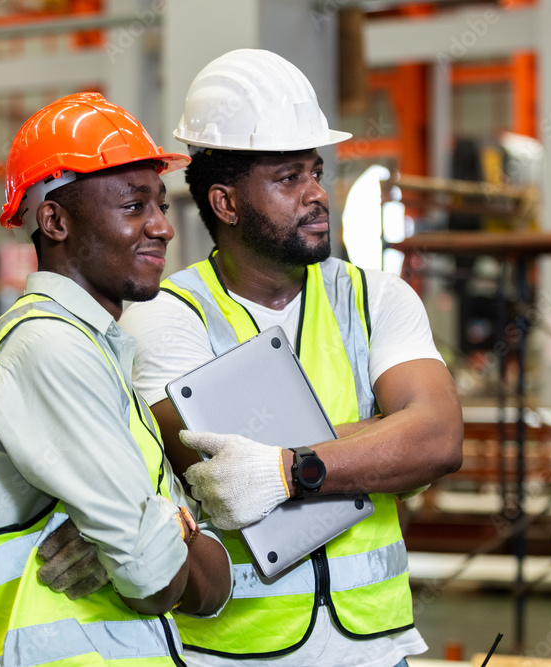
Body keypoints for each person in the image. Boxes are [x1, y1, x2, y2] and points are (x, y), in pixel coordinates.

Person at [120, 49, 464, 666]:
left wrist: (286, 468)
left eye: (315, 172)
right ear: (225, 203)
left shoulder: (376, 298)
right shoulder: (168, 316)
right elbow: (219, 470)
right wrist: (383, 434)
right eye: (288, 179)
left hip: (376, 650)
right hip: (238, 654)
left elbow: (437, 439)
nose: (317, 195)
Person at [0, 93, 232, 667]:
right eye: (133, 206)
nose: (163, 228)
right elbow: (155, 579)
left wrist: (168, 533)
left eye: (160, 205)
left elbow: (213, 588)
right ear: (55, 221)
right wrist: (172, 537)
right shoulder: (48, 349)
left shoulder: (99, 350)